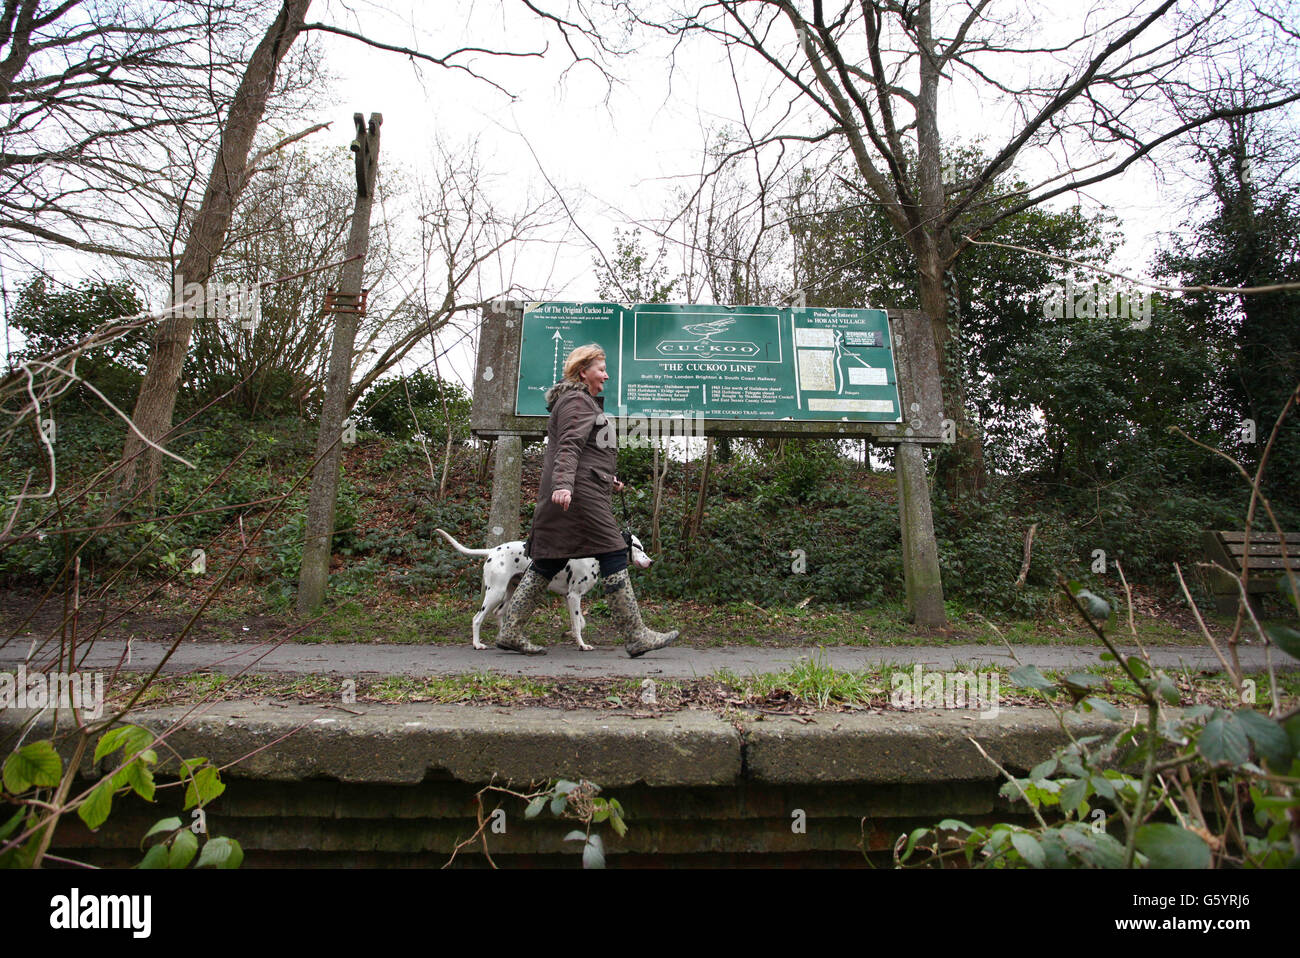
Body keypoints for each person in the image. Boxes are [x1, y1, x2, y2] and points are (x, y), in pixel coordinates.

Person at [496, 344, 679, 657]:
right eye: (601, 369)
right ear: (583, 372)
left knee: (550, 559)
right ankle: (635, 634)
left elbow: (585, 454)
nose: (606, 376)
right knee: (613, 549)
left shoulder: (578, 402)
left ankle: (511, 630)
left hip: (577, 491)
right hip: (577, 495)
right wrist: (565, 485)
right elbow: (569, 446)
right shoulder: (579, 400)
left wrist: (609, 480)